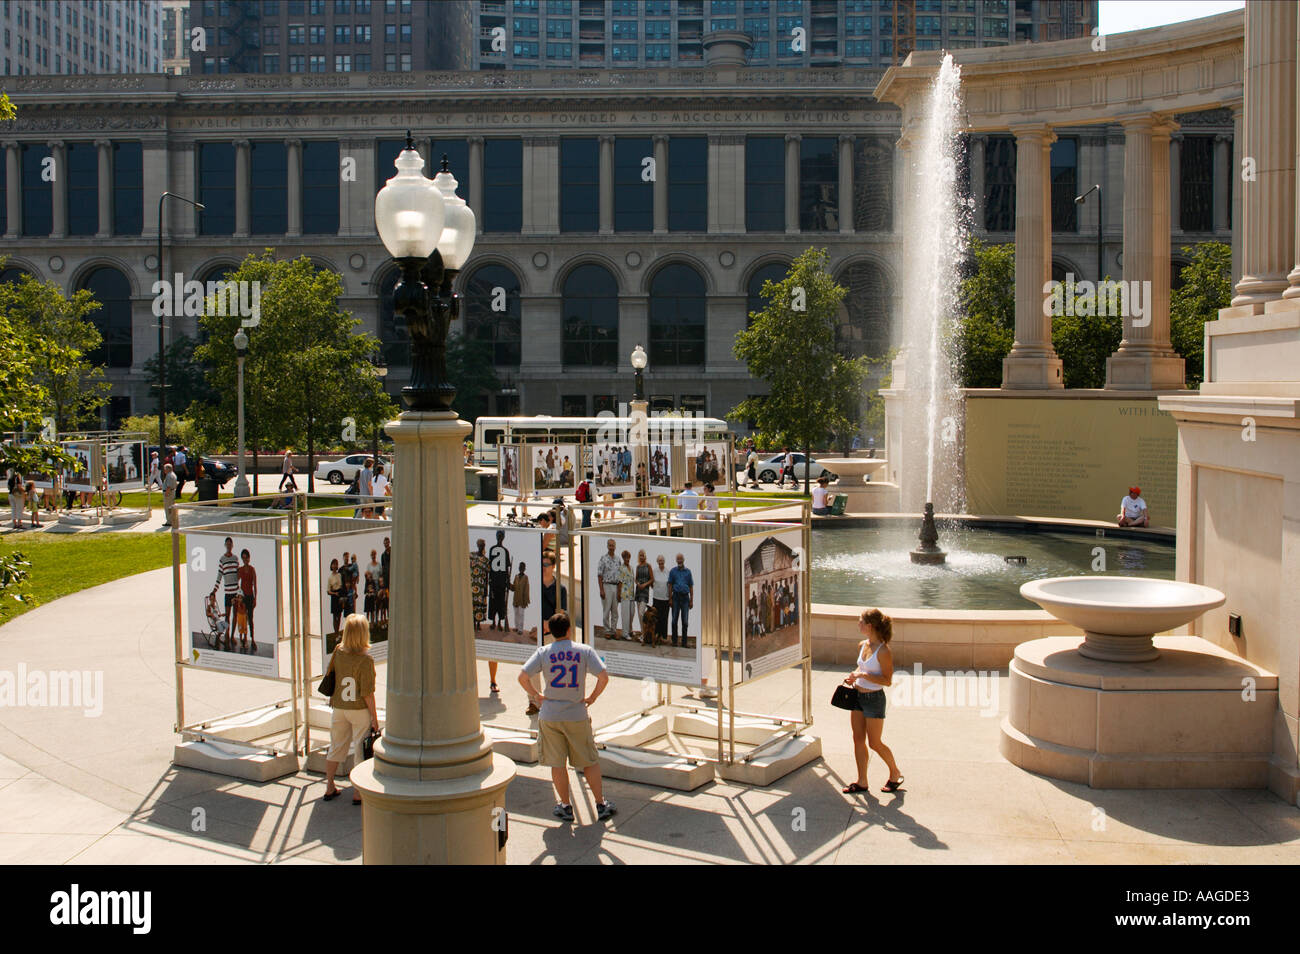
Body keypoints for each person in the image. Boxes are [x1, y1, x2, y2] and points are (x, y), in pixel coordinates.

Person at [518, 611, 615, 823]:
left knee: (557, 763)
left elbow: (523, 676)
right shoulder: (584, 651)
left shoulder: (543, 652)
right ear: (570, 630)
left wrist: (536, 696)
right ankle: (600, 803)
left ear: (550, 632)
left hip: (550, 714)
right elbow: (603, 677)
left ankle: (565, 805)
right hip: (576, 713)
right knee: (589, 761)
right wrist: (592, 697)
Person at [841, 608, 904, 795]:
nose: (858, 624)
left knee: (875, 743)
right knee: (857, 739)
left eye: (860, 621)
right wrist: (854, 675)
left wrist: (863, 674)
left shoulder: (883, 651)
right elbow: (861, 667)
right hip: (857, 696)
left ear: (869, 626)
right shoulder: (863, 645)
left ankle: (895, 772)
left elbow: (887, 680)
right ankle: (862, 781)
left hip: (874, 698)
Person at [322, 614, 380, 805]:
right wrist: (374, 717)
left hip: (339, 707)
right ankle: (357, 791)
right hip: (359, 709)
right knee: (360, 751)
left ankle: (329, 786)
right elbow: (367, 693)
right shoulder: (365, 659)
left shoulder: (338, 651)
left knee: (336, 746)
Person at [596, 537, 622, 638]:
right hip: (606, 585)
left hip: (615, 586)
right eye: (610, 545)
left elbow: (620, 576)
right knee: (606, 610)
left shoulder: (618, 559)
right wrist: (601, 589)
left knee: (615, 611)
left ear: (615, 547)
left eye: (613, 545)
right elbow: (599, 575)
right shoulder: (603, 558)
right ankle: (607, 631)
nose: (611, 547)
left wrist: (619, 592)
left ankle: (613, 631)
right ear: (607, 546)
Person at [668, 552, 694, 649]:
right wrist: (670, 598)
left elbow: (691, 586)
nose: (679, 561)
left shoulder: (688, 572)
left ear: (683, 560)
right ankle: (674, 641)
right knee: (674, 620)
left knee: (685, 622)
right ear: (676, 560)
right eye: (678, 559)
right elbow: (670, 585)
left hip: (685, 599)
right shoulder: (672, 571)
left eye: (681, 559)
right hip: (675, 597)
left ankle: (684, 643)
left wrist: (691, 600)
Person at [488, 529, 512, 631]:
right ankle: (494, 622)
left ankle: (498, 623)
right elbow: (490, 566)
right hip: (495, 581)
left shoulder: (503, 550)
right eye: (499, 535)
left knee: (500, 602)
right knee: (494, 602)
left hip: (500, 581)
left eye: (501, 535)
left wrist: (507, 581)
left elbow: (506, 568)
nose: (500, 537)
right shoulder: (496, 550)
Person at [217, 537, 240, 629]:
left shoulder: (236, 558)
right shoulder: (222, 559)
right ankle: (226, 635)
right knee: (227, 615)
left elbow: (238, 573)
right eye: (227, 544)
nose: (229, 546)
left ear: (232, 545)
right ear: (225, 545)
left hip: (235, 591)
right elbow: (219, 574)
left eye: (230, 544)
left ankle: (232, 637)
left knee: (235, 615)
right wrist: (215, 588)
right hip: (227, 592)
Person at [237, 548, 258, 651]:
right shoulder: (240, 570)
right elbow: (236, 582)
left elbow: (255, 585)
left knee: (250, 619)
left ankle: (252, 639)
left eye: (246, 558)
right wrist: (238, 596)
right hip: (243, 597)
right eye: (243, 558)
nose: (245, 560)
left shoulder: (252, 569)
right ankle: (243, 639)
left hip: (250, 597)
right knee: (243, 619)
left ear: (249, 558)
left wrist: (255, 599)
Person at [470, 538, 489, 633]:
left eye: (483, 545)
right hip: (472, 584)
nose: (481, 547)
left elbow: (487, 576)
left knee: (480, 605)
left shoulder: (486, 560)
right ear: (478, 545)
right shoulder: (471, 556)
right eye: (480, 545)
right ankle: (473, 623)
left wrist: (486, 589)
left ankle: (478, 624)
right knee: (473, 605)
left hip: (481, 586)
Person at [617, 549, 637, 640]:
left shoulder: (632, 568)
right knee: (625, 614)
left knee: (632, 613)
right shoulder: (621, 568)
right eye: (625, 558)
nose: (627, 559)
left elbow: (633, 580)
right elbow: (620, 582)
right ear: (623, 558)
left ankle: (629, 630)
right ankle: (625, 633)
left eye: (628, 557)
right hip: (624, 594)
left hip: (632, 594)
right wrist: (618, 594)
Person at [651, 554, 670, 645]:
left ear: (664, 561)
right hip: (656, 598)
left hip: (665, 599)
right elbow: (652, 582)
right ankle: (656, 635)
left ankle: (663, 637)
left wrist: (670, 597)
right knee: (656, 618)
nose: (661, 562)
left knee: (664, 618)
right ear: (657, 562)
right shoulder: (654, 571)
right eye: (659, 560)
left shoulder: (667, 571)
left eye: (662, 560)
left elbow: (670, 585)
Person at [634, 549, 653, 637]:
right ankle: (642, 633)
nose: (641, 557)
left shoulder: (648, 566)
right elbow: (636, 578)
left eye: (643, 555)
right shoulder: (638, 567)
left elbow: (652, 579)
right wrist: (638, 584)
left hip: (645, 591)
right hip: (638, 591)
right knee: (639, 614)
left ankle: (645, 632)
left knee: (642, 612)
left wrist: (644, 585)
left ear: (645, 556)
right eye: (640, 555)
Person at [511, 562, 530, 635]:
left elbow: (527, 589)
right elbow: (513, 588)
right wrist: (509, 584)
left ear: (524, 569)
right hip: (515, 599)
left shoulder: (526, 578)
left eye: (522, 567)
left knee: (521, 614)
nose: (521, 568)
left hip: (522, 600)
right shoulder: (516, 576)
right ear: (518, 568)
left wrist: (526, 601)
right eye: (520, 567)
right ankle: (516, 627)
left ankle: (520, 630)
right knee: (516, 614)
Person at [327, 558, 344, 634]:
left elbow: (342, 585)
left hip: (340, 594)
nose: (335, 565)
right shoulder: (330, 577)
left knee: (339, 615)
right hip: (334, 596)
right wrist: (334, 594)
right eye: (333, 564)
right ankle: (336, 632)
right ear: (331, 566)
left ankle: (338, 630)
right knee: (335, 616)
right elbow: (328, 591)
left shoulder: (339, 575)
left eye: (336, 564)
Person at [161, 463, 177, 527]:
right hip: (172, 492)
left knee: (168, 508)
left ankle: (169, 521)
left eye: (165, 469)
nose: (164, 470)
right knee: (171, 507)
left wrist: (166, 494)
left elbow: (169, 486)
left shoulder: (169, 476)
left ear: (168, 469)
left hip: (169, 493)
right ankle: (172, 520)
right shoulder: (173, 474)